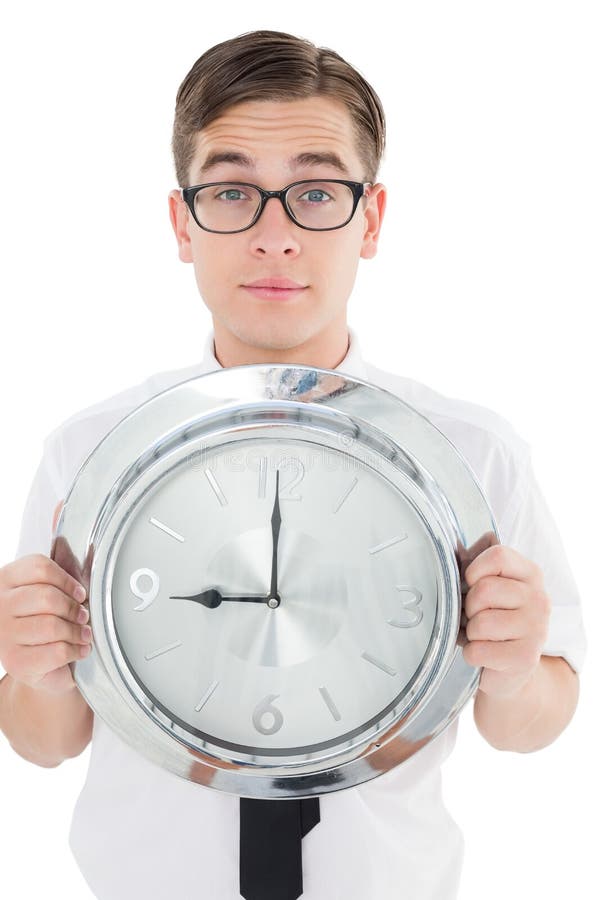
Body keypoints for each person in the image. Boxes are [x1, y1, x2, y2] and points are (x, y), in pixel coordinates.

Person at [0, 28, 587, 900]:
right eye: (233, 192)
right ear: (182, 223)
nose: (274, 238)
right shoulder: (90, 452)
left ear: (371, 218)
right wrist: (37, 665)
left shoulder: (472, 454)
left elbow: (534, 724)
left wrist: (514, 662)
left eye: (315, 193)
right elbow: (45, 740)